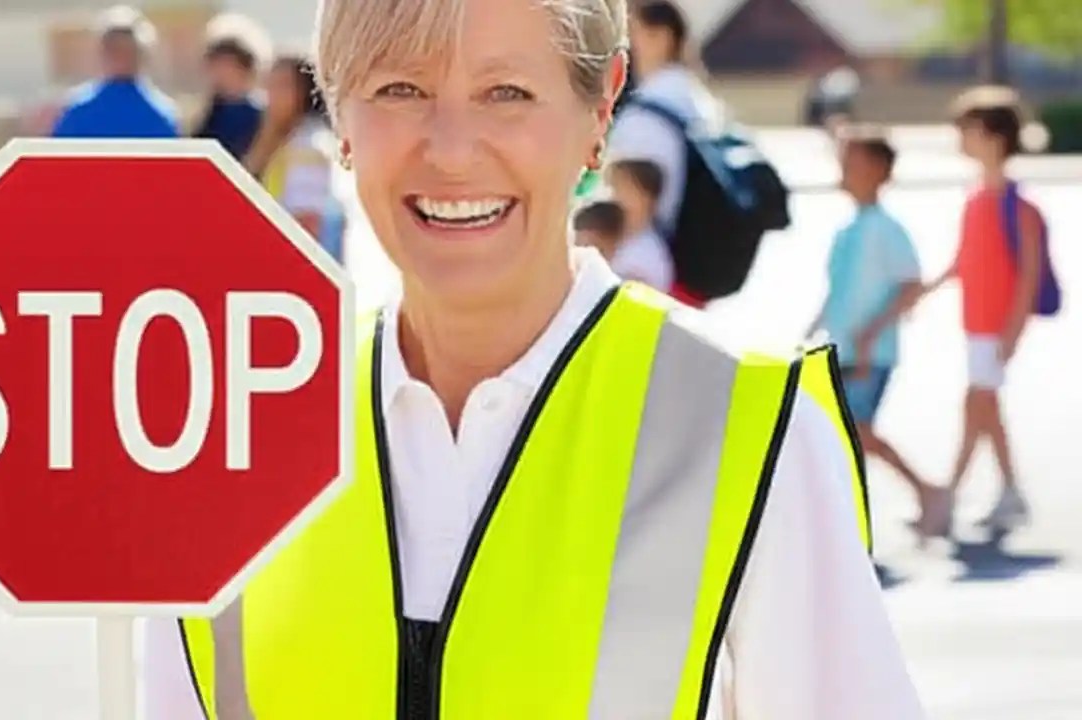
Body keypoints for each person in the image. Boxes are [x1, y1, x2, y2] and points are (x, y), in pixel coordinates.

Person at [142, 0, 923, 717]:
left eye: (506, 92)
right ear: (339, 109)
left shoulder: (748, 428)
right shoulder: (241, 431)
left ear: (602, 103)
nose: (450, 150)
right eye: (399, 89)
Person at [808, 127, 947, 538]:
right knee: (845, 433)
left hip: (871, 352)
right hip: (842, 348)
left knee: (856, 431)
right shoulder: (848, 229)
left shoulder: (886, 228)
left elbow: (911, 285)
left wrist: (871, 334)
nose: (843, 168)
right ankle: (849, 515)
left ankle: (926, 491)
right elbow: (838, 291)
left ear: (875, 169)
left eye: (851, 160)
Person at [926, 87, 1044, 532]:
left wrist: (1012, 332)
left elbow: (1028, 276)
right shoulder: (976, 198)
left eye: (967, 130)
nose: (960, 138)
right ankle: (1009, 492)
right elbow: (964, 260)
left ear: (991, 136)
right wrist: (925, 291)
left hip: (996, 328)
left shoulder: (1019, 205)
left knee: (977, 405)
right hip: (975, 325)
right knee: (985, 407)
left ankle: (948, 495)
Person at [607, 0, 709, 308]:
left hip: (640, 264)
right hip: (679, 264)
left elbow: (631, 196)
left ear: (661, 37)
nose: (626, 47)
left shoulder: (650, 111)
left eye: (633, 33)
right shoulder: (692, 98)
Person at [243, 55, 343, 260]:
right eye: (269, 85)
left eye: (282, 85)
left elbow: (308, 224)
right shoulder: (276, 141)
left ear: (305, 91)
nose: (272, 95)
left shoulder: (310, 147)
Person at [50, 5, 180, 139]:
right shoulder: (77, 111)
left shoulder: (160, 115)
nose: (122, 57)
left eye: (128, 51)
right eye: (115, 50)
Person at [191, 13, 270, 160]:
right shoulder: (211, 112)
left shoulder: (260, 113)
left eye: (228, 65)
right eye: (216, 64)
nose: (221, 72)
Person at [606, 158, 674, 292]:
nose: (615, 195)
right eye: (614, 186)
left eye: (625, 188)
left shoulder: (649, 256)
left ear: (647, 198)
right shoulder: (604, 234)